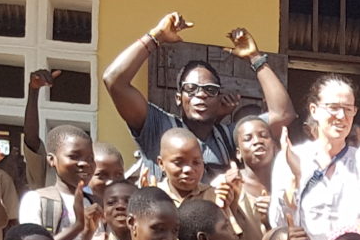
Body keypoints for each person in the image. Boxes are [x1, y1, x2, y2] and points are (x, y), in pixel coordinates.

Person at [101, 15, 294, 170]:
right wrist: (156, 37)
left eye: (210, 90)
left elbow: (283, 114)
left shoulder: (228, 137)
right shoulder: (158, 127)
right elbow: (114, 80)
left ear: (219, 99)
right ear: (179, 98)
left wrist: (255, 57)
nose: (200, 95)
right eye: (191, 89)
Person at [272, 74, 360, 240]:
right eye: (333, 108)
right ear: (314, 110)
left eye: (348, 109)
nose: (341, 116)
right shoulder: (291, 157)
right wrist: (295, 178)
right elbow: (278, 225)